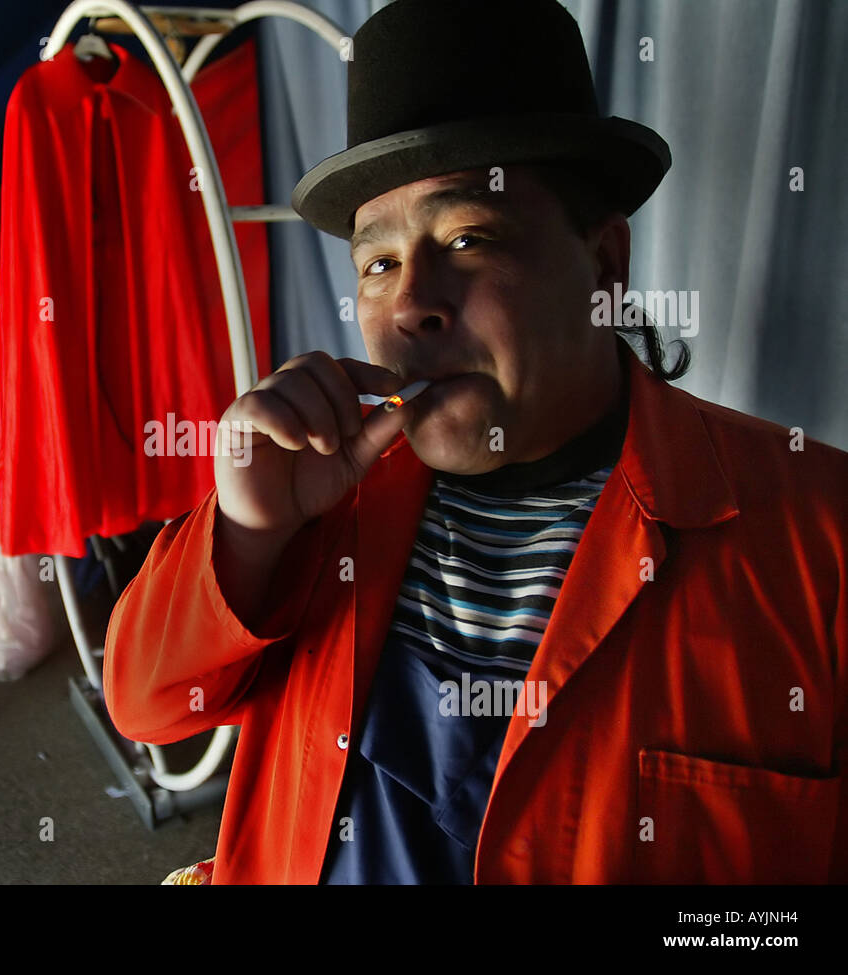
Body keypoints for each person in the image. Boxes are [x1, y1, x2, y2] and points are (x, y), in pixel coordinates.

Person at [104, 0, 848, 884]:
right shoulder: (316, 496)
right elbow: (146, 704)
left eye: (469, 236)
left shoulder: (816, 534)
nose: (412, 300)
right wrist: (247, 534)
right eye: (379, 262)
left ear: (605, 263)